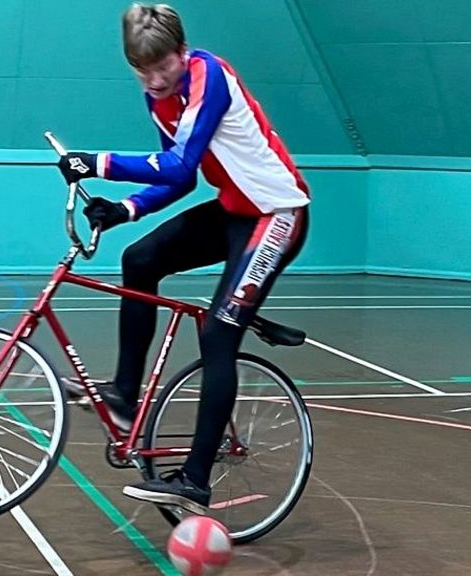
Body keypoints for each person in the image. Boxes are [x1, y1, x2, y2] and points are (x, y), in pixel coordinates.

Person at [57, 2, 311, 515]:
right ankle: (125, 397)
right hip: (234, 209)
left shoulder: (208, 75)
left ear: (182, 51)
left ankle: (195, 481)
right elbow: (179, 178)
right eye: (142, 71)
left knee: (218, 333)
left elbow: (179, 161)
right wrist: (125, 209)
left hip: (276, 215)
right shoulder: (160, 99)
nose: (154, 80)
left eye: (162, 68)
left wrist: (98, 162)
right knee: (140, 259)